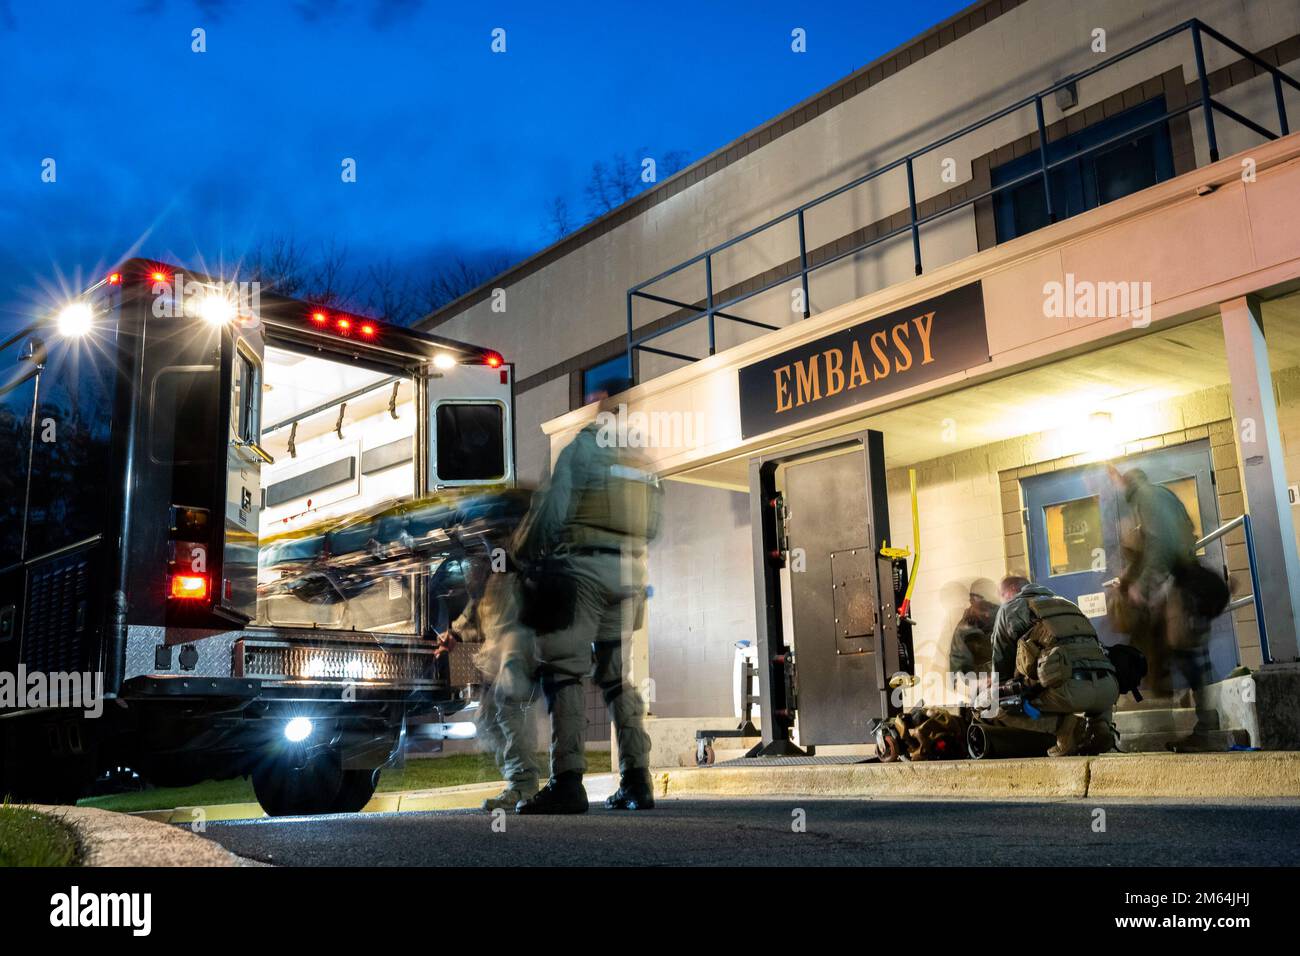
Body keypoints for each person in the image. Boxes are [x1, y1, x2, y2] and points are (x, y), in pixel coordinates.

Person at [512, 376, 661, 815]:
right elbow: (654, 527)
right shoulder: (644, 457)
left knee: (564, 671)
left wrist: (523, 553)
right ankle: (637, 780)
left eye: (595, 401)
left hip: (582, 572)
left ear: (603, 404)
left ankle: (568, 782)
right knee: (617, 678)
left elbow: (552, 510)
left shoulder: (584, 446)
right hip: (628, 574)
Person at [1109, 466, 1214, 752]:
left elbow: (1162, 544)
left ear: (1128, 483)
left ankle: (1206, 728)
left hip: (1179, 581)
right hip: (1183, 579)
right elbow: (1184, 533)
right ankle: (1204, 725)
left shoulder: (1147, 497)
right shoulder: (1162, 495)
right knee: (1185, 652)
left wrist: (1143, 587)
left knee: (1184, 651)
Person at [986, 574, 1119, 756]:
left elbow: (1001, 671)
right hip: (1108, 691)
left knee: (993, 705)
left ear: (1008, 592)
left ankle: (1066, 728)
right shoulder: (1067, 604)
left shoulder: (1010, 609)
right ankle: (1100, 726)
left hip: (1069, 693)